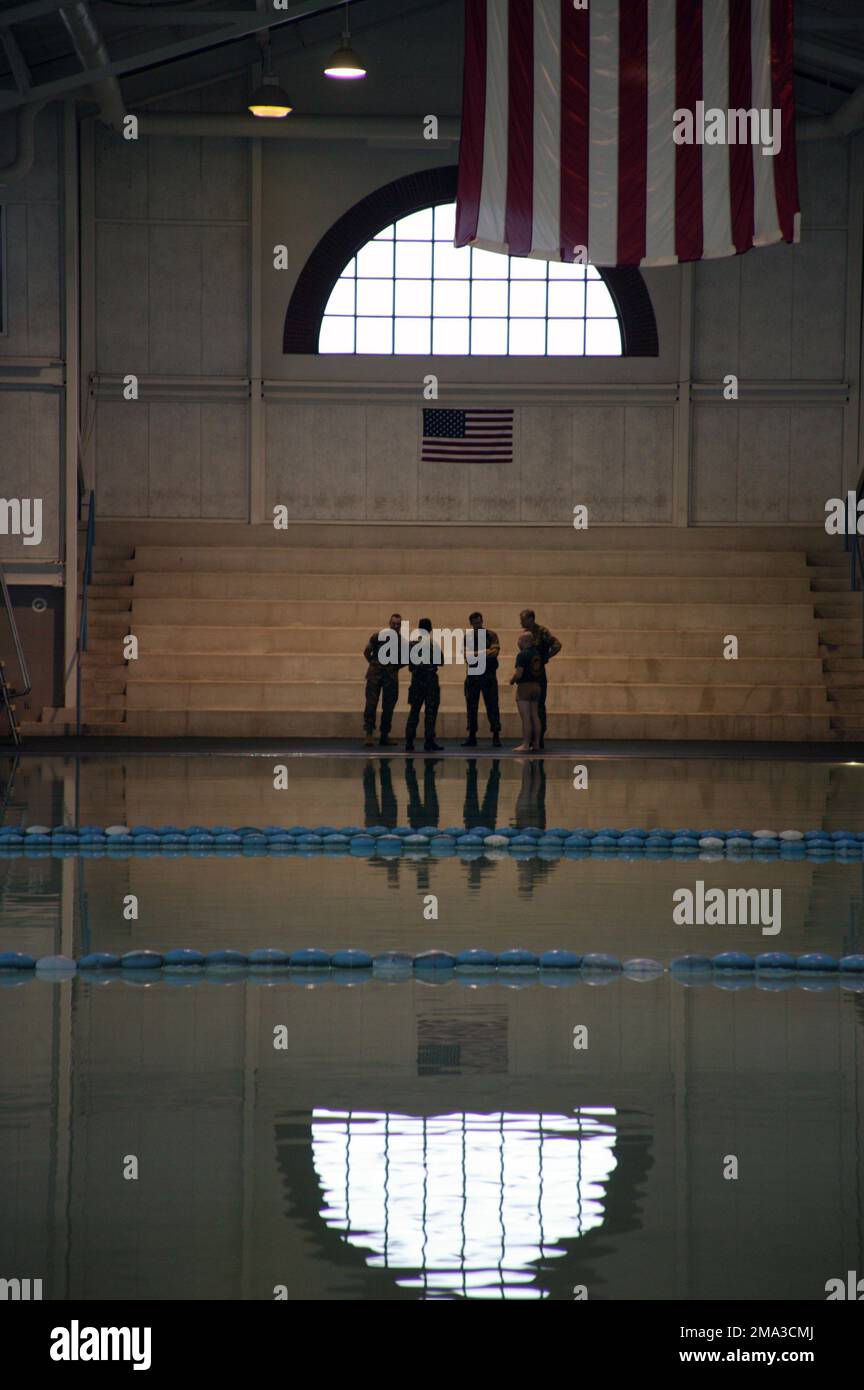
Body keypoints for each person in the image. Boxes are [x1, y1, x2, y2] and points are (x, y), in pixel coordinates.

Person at [519, 609, 562, 749]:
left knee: (538, 708)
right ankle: (531, 740)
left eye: (523, 619)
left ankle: (538, 739)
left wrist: (546, 657)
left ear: (531, 618)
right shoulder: (525, 633)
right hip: (527, 675)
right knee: (531, 710)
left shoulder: (541, 631)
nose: (521, 622)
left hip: (538, 674)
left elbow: (557, 645)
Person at [462, 611, 501, 748]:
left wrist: (477, 654)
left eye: (479, 622)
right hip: (473, 676)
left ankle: (496, 735)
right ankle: (472, 735)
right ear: (471, 623)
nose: (478, 624)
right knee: (471, 707)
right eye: (475, 622)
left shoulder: (491, 635)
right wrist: (485, 653)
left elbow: (495, 653)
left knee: (492, 706)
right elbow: (467, 656)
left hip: (488, 675)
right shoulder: (468, 637)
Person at [363, 613, 403, 747]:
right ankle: (369, 734)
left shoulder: (401, 641)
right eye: (394, 624)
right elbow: (366, 651)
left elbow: (406, 658)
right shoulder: (377, 636)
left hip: (390, 676)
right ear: (389, 623)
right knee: (371, 704)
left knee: (389, 706)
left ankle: (384, 735)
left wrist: (395, 667)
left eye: (398, 624)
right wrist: (374, 664)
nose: (395, 626)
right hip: (375, 675)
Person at [405, 618, 444, 752]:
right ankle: (429, 741)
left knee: (414, 712)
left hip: (417, 681)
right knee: (430, 713)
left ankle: (409, 742)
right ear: (430, 630)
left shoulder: (411, 645)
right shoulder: (433, 645)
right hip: (430, 682)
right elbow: (441, 661)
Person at [509, 631, 544, 752]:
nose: (518, 642)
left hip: (525, 687)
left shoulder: (522, 655)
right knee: (535, 716)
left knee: (526, 718)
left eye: (519, 640)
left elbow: (519, 674)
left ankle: (525, 744)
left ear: (525, 641)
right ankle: (536, 743)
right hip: (536, 686)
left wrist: (512, 680)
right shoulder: (536, 654)